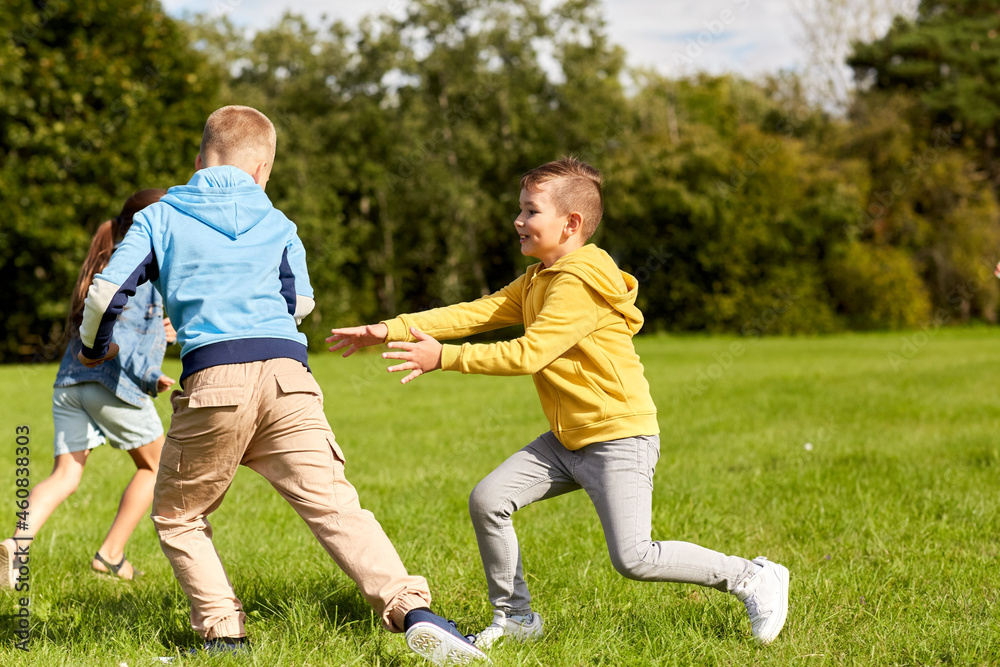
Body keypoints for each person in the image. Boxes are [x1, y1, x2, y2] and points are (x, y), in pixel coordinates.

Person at [72, 105, 486, 665]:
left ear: (198, 160)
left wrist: (94, 348)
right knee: (335, 507)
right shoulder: (278, 223)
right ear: (262, 169)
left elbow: (105, 294)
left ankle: (224, 635)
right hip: (291, 378)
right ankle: (414, 611)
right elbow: (301, 303)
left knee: (179, 514)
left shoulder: (161, 216)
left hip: (215, 379)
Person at [327, 157, 790, 650]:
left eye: (530, 211)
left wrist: (444, 357)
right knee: (489, 500)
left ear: (571, 223)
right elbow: (477, 312)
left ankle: (751, 577)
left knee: (635, 558)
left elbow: (530, 353)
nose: (518, 221)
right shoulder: (538, 279)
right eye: (520, 209)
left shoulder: (577, 284)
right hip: (568, 439)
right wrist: (390, 329)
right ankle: (516, 618)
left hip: (617, 436)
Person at [0, 189, 175, 589]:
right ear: (151, 225)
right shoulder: (141, 267)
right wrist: (150, 375)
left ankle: (16, 545)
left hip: (69, 383)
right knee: (157, 466)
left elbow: (119, 324)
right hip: (110, 383)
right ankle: (110, 554)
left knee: (65, 475)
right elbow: (122, 338)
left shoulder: (104, 262)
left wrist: (163, 332)